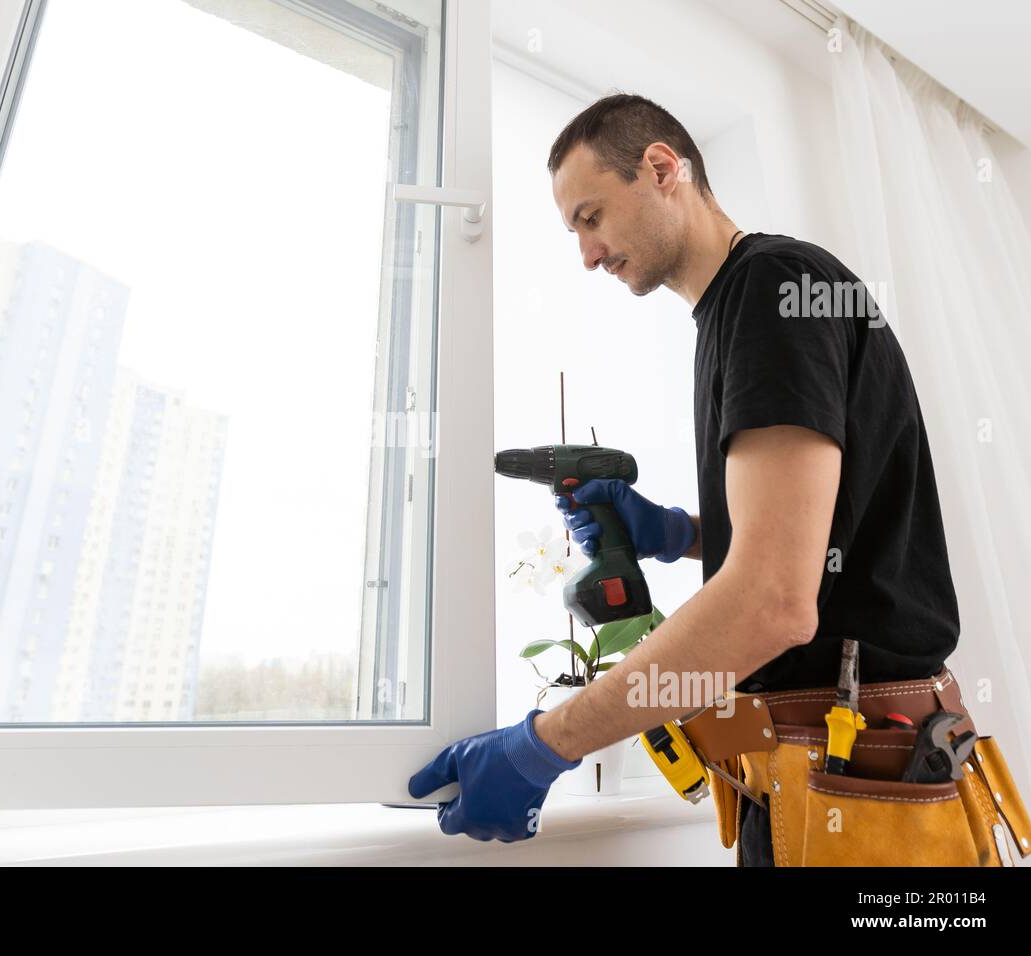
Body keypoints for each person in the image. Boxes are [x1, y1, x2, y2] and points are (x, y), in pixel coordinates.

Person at [407, 94, 960, 864]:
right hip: (826, 770)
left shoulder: (774, 291)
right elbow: (824, 542)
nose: (588, 255)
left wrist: (543, 745)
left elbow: (773, 602)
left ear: (663, 168)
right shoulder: (738, 311)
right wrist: (681, 534)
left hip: (861, 783)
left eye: (591, 216)